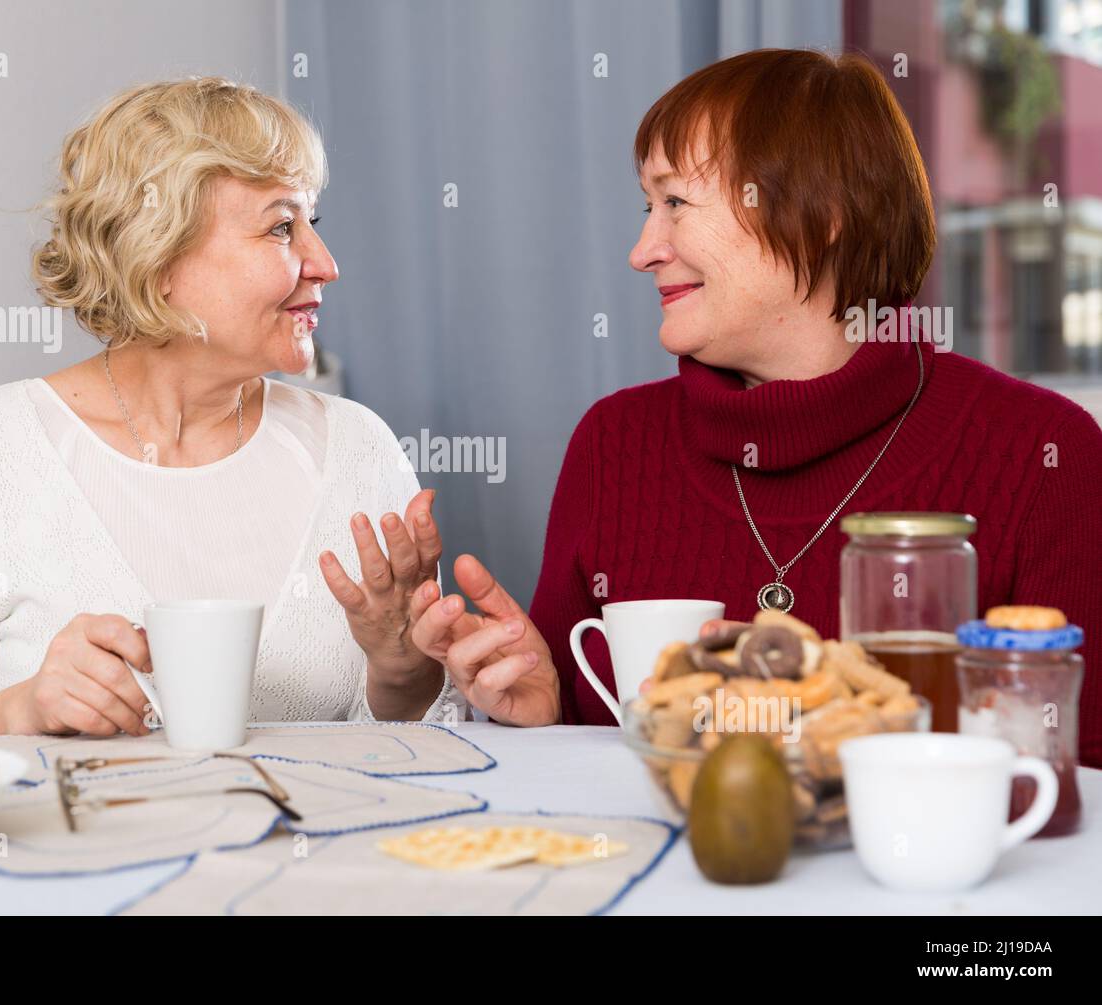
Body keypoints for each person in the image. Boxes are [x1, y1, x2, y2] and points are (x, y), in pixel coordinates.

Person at [409, 49, 1102, 767]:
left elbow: (1076, 784)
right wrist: (545, 710)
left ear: (823, 210)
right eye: (648, 207)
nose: (643, 249)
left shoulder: (1046, 454)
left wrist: (823, 717)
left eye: (676, 202)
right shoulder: (613, 443)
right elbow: (588, 764)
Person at [0, 78, 463, 739]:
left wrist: (403, 675)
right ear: (156, 255)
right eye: (283, 227)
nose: (325, 263)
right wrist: (20, 712)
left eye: (314, 223)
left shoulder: (359, 448)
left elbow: (428, 753)